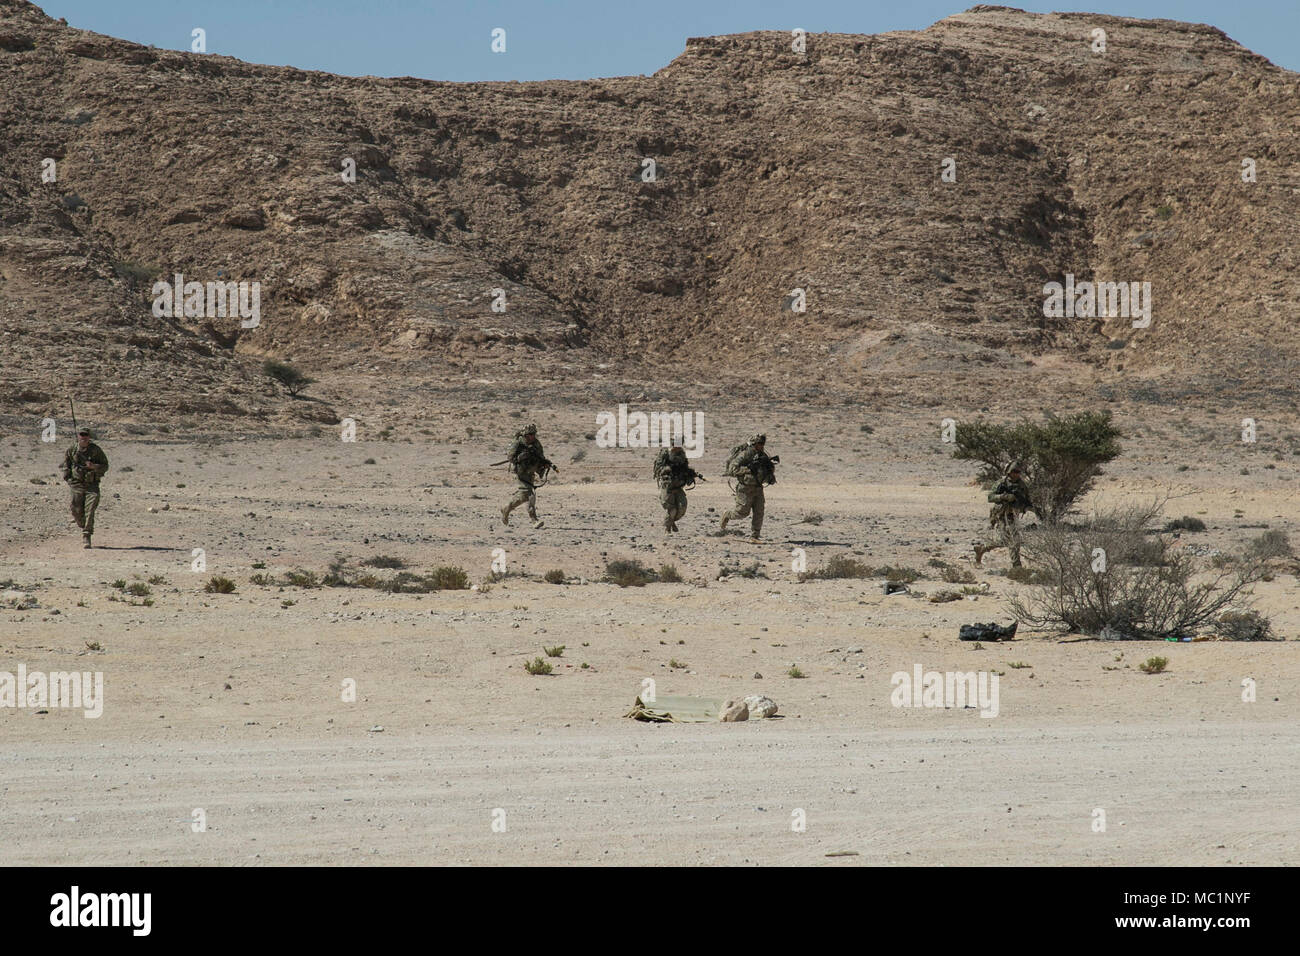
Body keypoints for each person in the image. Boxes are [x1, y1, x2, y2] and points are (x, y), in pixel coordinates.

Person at [719, 433, 778, 541]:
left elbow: (767, 470)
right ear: (754, 444)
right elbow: (733, 470)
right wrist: (748, 470)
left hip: (758, 488)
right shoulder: (745, 454)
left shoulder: (763, 455)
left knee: (759, 512)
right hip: (745, 488)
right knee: (742, 513)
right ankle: (727, 515)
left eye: (763, 443)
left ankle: (755, 536)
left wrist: (770, 474)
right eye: (760, 443)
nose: (762, 445)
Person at [974, 461, 1032, 568]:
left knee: (1009, 540)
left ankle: (982, 549)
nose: (1016, 474)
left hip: (1012, 515)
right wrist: (1003, 497)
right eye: (1014, 471)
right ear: (1009, 472)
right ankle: (1016, 566)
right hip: (1000, 515)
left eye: (1018, 472)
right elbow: (990, 497)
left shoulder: (1022, 485)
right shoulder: (1001, 483)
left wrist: (1023, 506)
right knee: (1010, 539)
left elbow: (1027, 500)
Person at [500, 423, 554, 529]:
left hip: (531, 472)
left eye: (533, 434)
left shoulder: (536, 444)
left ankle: (506, 508)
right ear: (525, 435)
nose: (532, 436)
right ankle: (534, 520)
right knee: (530, 495)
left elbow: (540, 457)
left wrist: (545, 464)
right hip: (521, 473)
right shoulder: (517, 443)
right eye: (530, 434)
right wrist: (521, 457)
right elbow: (511, 457)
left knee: (523, 496)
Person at [63, 428, 109, 548]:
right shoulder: (72, 449)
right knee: (75, 509)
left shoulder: (96, 450)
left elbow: (105, 466)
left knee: (90, 509)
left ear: (89, 437)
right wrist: (68, 478)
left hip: (91, 485)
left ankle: (86, 534)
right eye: (81, 434)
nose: (83, 437)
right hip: (76, 484)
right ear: (78, 436)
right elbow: (66, 465)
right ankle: (83, 525)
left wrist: (94, 466)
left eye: (86, 435)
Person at [653, 443, 703, 533]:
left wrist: (691, 474)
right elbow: (659, 469)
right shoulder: (666, 453)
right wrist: (666, 470)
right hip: (668, 487)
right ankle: (667, 529)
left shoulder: (681, 454)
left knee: (682, 508)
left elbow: (685, 467)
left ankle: (671, 521)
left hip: (678, 486)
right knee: (672, 509)